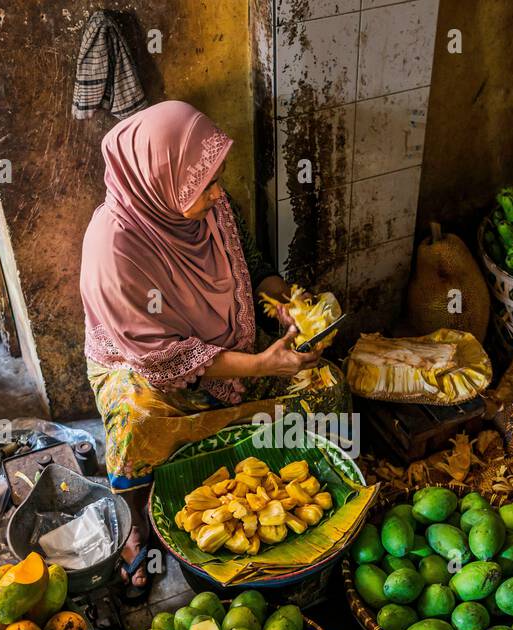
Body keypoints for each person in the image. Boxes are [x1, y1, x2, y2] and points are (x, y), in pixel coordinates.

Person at [80, 100, 348, 601]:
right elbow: (162, 358)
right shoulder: (113, 249)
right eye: (206, 186)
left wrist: (283, 302)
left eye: (217, 178)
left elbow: (256, 266)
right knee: (138, 422)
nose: (219, 194)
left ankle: (289, 489)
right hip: (144, 364)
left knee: (323, 383)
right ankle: (134, 524)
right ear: (158, 185)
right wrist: (263, 364)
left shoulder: (216, 208)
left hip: (232, 339)